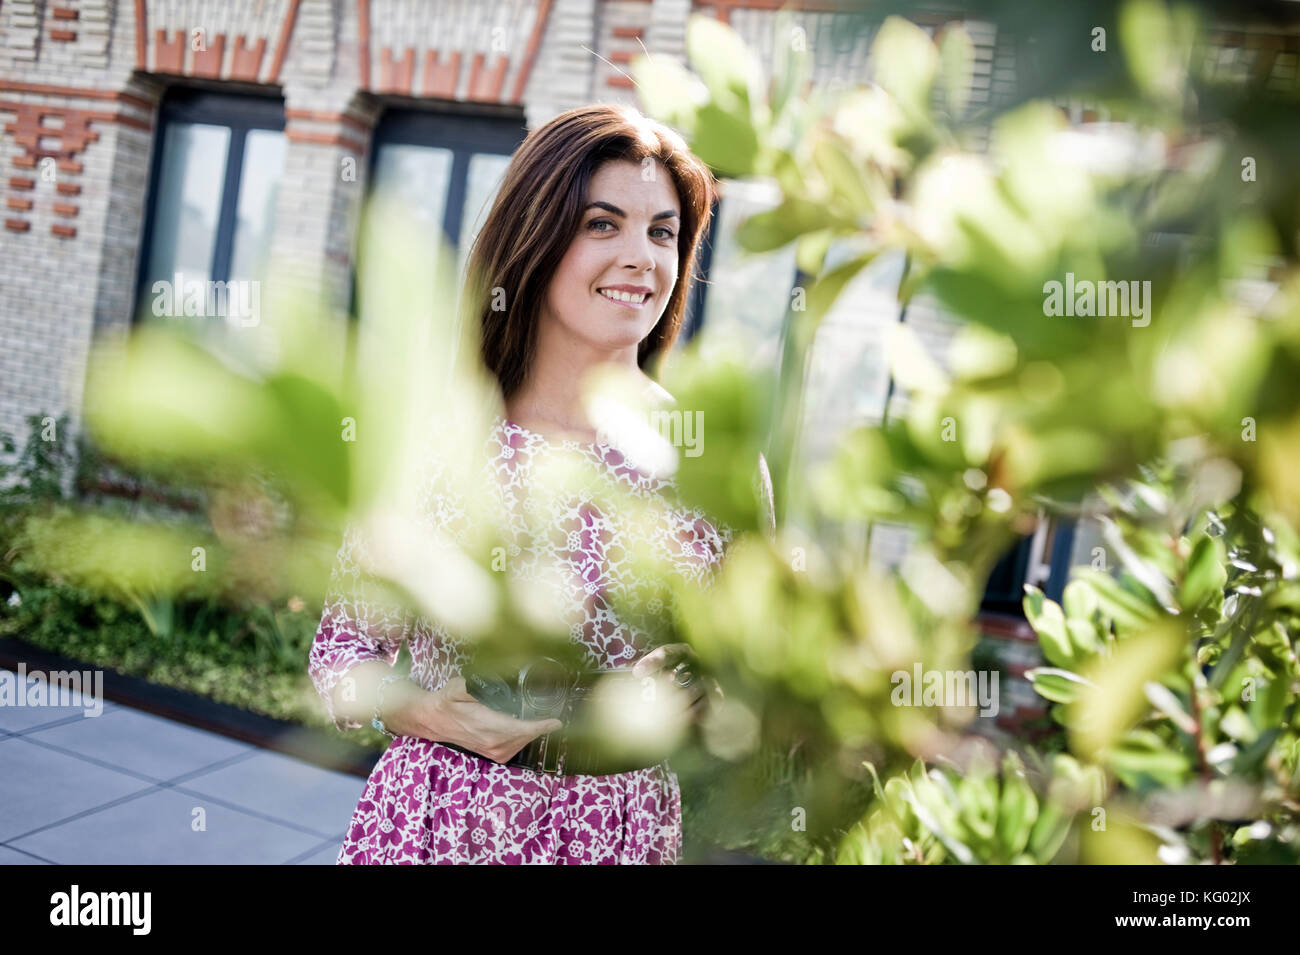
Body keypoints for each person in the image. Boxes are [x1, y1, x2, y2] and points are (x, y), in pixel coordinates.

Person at [308, 103, 774, 864]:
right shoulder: (438, 432)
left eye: (663, 231)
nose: (641, 256)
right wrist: (436, 712)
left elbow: (763, 673)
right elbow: (341, 659)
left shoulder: (707, 456)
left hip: (618, 836)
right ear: (537, 235)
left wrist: (701, 697)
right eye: (602, 223)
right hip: (437, 827)